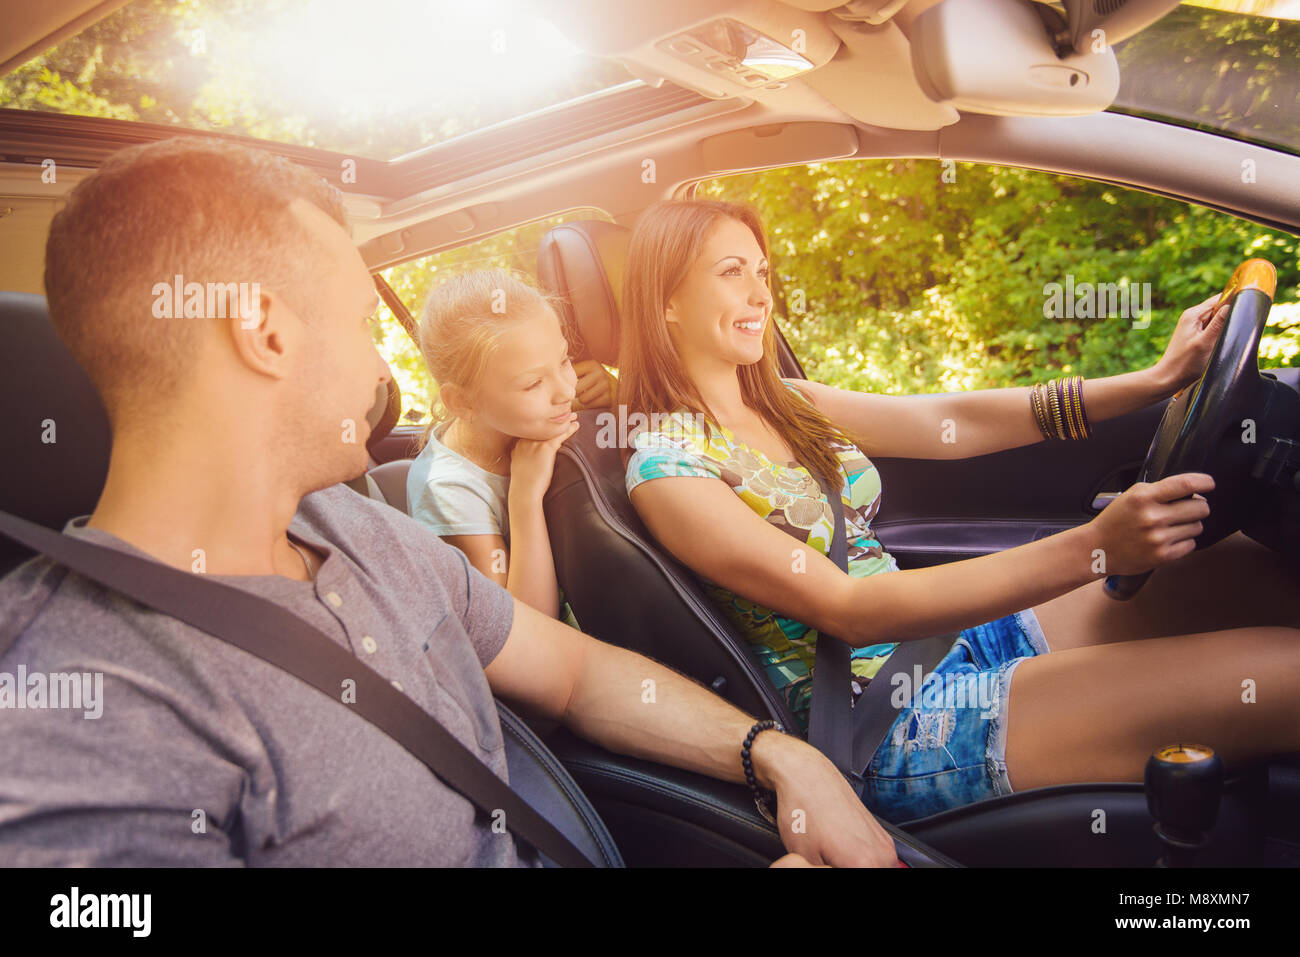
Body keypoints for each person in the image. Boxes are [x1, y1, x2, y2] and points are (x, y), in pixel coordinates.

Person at [0, 141, 897, 867]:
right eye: (360, 322)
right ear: (265, 334)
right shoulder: (71, 717)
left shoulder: (359, 531)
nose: (380, 372)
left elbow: (579, 674)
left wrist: (779, 754)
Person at [617, 198, 1300, 824]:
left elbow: (954, 420)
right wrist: (1095, 545)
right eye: (732, 271)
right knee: (1284, 674)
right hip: (892, 726)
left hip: (949, 641)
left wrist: (1155, 379)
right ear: (667, 300)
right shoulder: (667, 469)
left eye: (762, 271)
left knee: (1257, 573)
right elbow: (848, 608)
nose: (760, 293)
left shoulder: (787, 403)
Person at [406, 269, 613, 628]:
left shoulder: (537, 409)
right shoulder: (447, 489)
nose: (566, 389)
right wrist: (524, 498)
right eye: (533, 383)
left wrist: (617, 395)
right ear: (462, 401)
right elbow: (525, 628)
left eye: (564, 360)